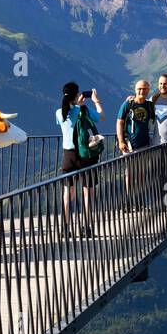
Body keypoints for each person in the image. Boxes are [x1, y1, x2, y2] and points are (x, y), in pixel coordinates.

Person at [56, 82, 104, 235]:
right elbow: (101, 117)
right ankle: (87, 228)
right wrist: (96, 101)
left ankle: (65, 227)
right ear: (77, 95)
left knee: (67, 193)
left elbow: (64, 122)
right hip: (86, 155)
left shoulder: (59, 112)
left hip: (68, 155)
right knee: (87, 192)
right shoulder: (84, 109)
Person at [116, 80, 156, 209]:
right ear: (135, 89)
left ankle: (139, 202)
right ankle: (128, 202)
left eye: (144, 89)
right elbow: (120, 122)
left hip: (145, 144)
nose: (142, 91)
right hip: (130, 145)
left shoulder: (149, 105)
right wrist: (121, 141)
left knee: (141, 175)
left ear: (148, 90)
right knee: (130, 175)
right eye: (139, 89)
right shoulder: (128, 104)